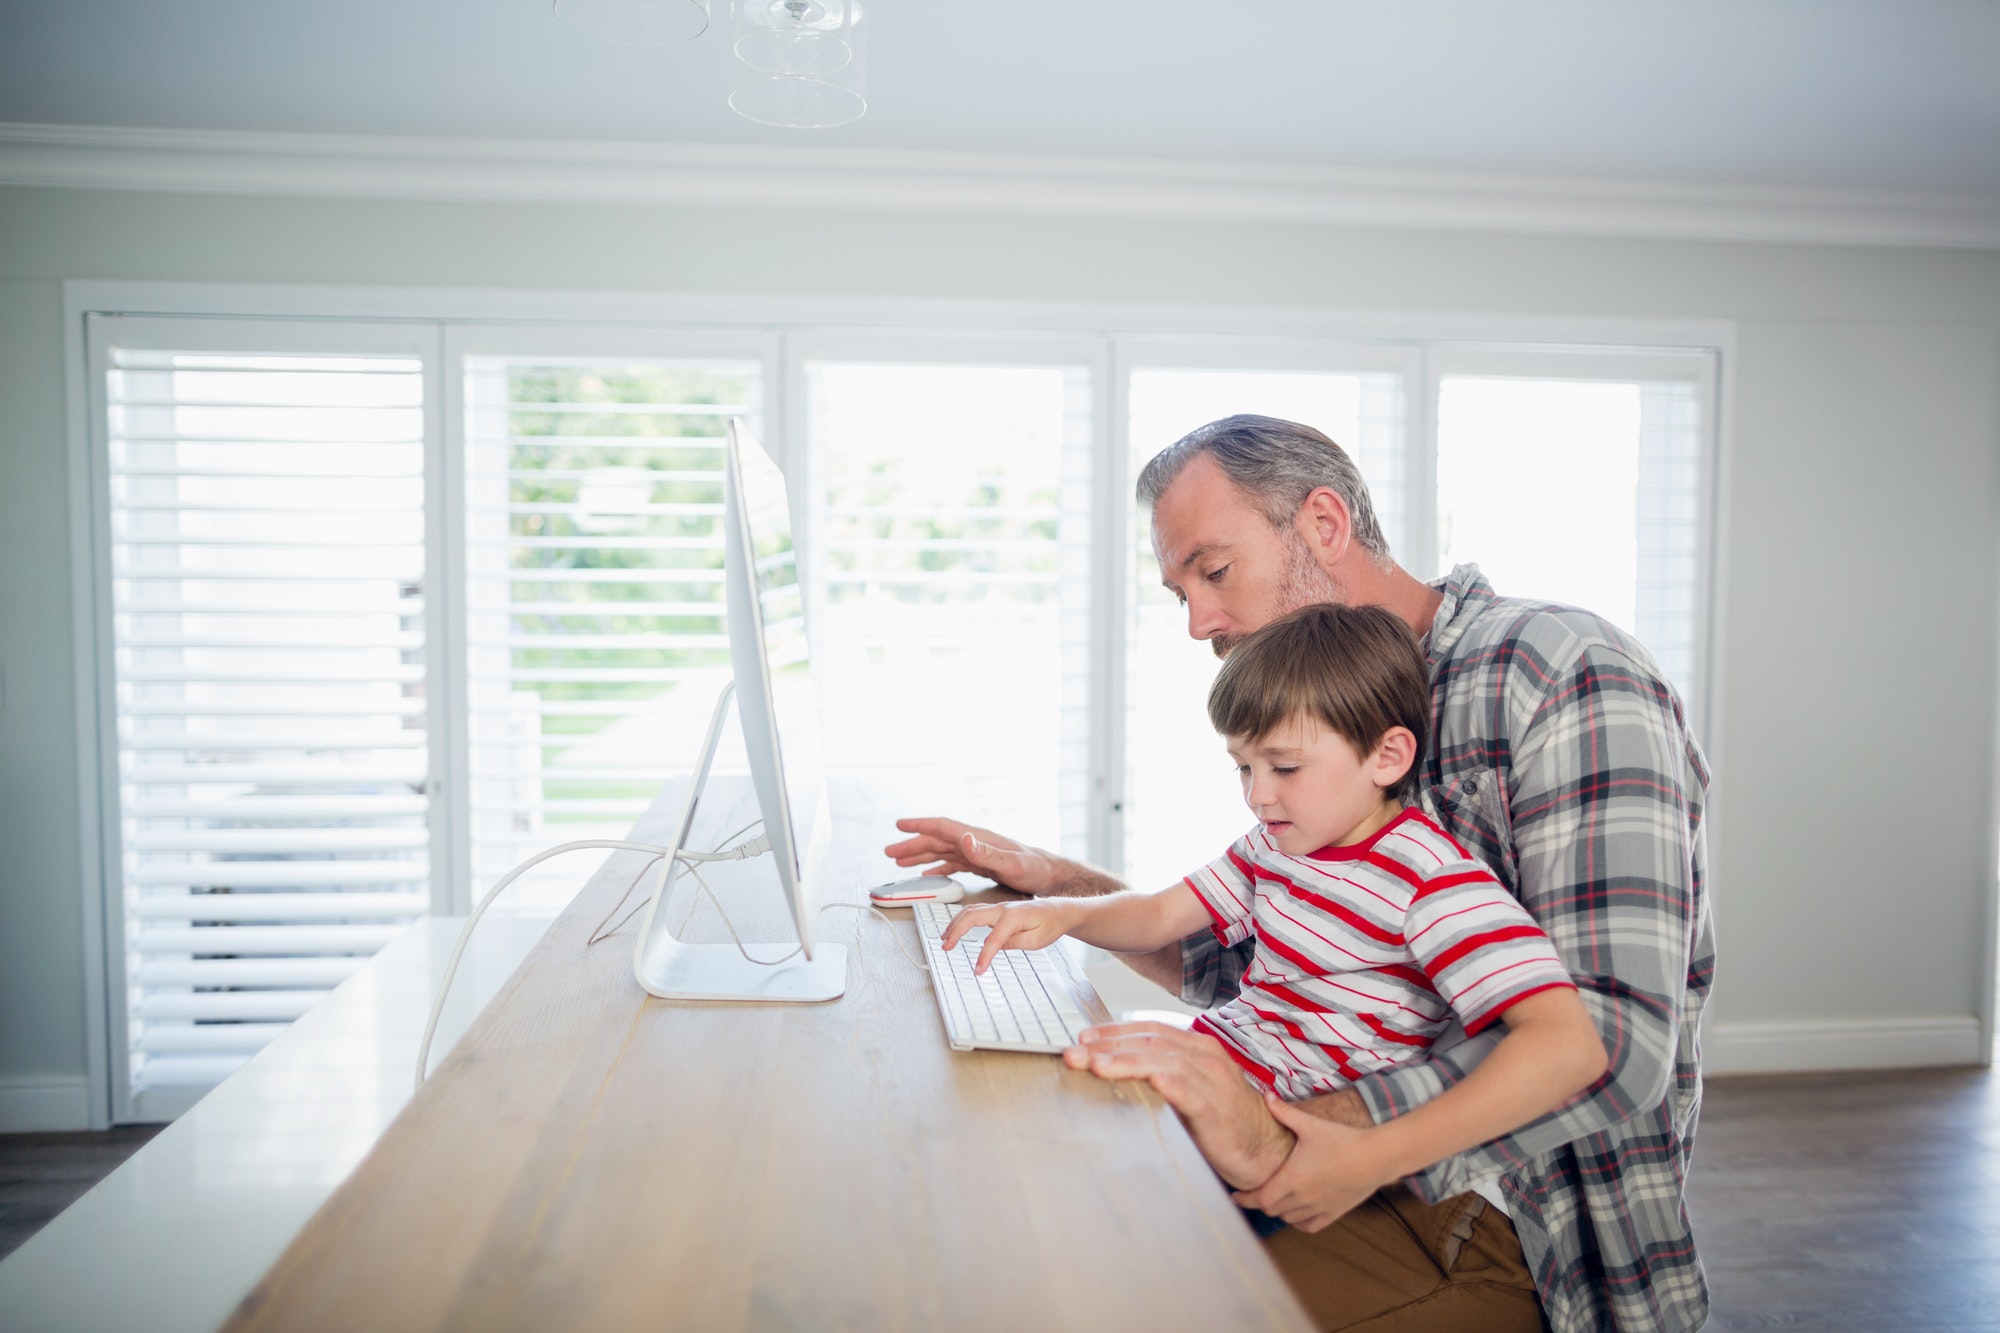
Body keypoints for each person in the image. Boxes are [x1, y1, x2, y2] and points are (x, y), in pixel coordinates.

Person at [886, 414, 1714, 1333]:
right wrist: (1050, 884)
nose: (1199, 622)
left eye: (1214, 571)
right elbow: (1246, 965)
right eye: (1180, 591)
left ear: (1323, 523)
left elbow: (1613, 1043)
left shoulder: (1559, 671)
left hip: (1511, 1219)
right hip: (1333, 1143)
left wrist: (1284, 1127)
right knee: (1025, 1230)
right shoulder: (1317, 718)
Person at [942, 602, 1609, 1242]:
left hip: (1281, 1132)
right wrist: (1058, 911)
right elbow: (1160, 915)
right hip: (1221, 1068)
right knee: (1020, 1128)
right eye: (1244, 766)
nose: (1257, 794)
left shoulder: (1432, 881)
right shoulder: (1277, 845)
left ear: (1387, 756)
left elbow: (1569, 1047)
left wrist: (1375, 1154)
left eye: (1284, 766)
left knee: (1069, 1205)